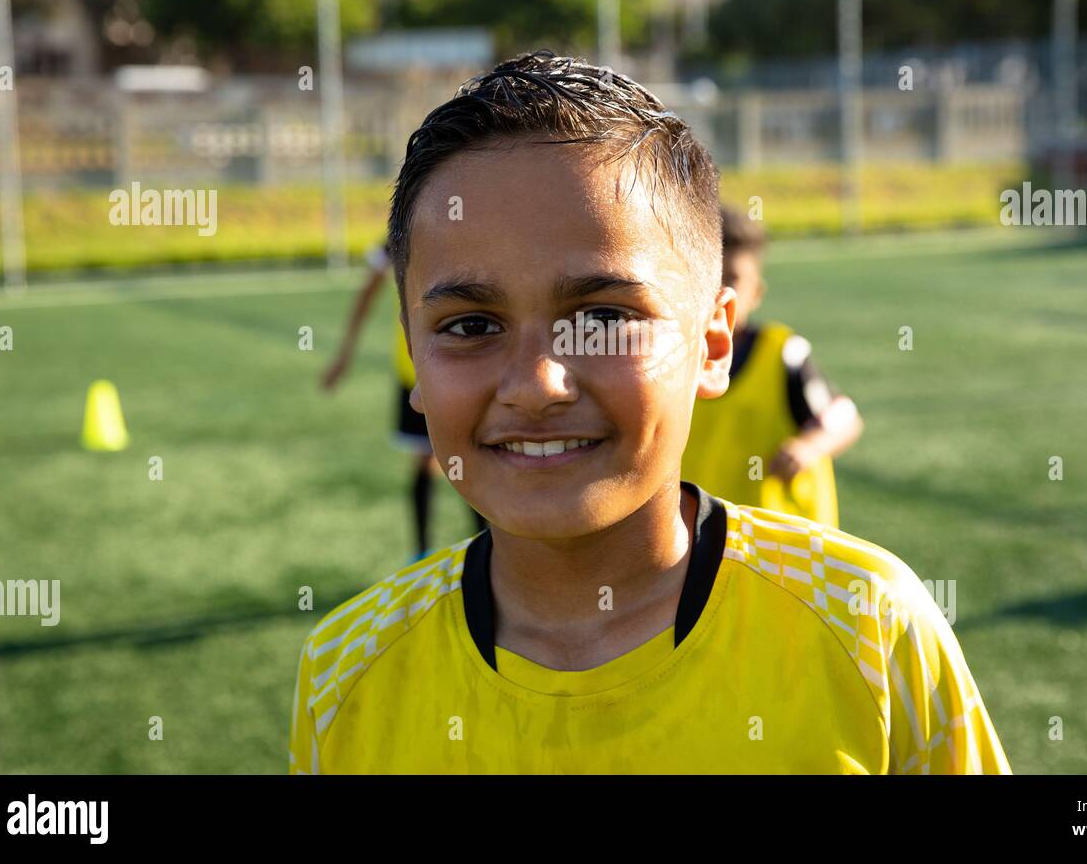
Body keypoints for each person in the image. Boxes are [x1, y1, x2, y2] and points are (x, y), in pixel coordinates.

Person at [290, 52, 1010, 774]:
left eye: (602, 317)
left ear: (714, 344)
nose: (537, 385)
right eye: (471, 326)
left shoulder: (868, 628)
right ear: (413, 355)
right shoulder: (346, 674)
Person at [681, 207, 863, 528]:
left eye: (733, 279)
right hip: (700, 546)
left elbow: (844, 415)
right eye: (710, 278)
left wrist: (810, 445)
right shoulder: (668, 360)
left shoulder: (782, 353)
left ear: (757, 293)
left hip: (784, 553)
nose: (720, 292)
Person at [322, 243, 485, 560]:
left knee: (471, 457)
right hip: (416, 371)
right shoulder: (396, 239)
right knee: (428, 459)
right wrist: (344, 354)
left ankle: (488, 547)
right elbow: (367, 295)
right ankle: (421, 552)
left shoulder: (465, 231)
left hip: (462, 368)